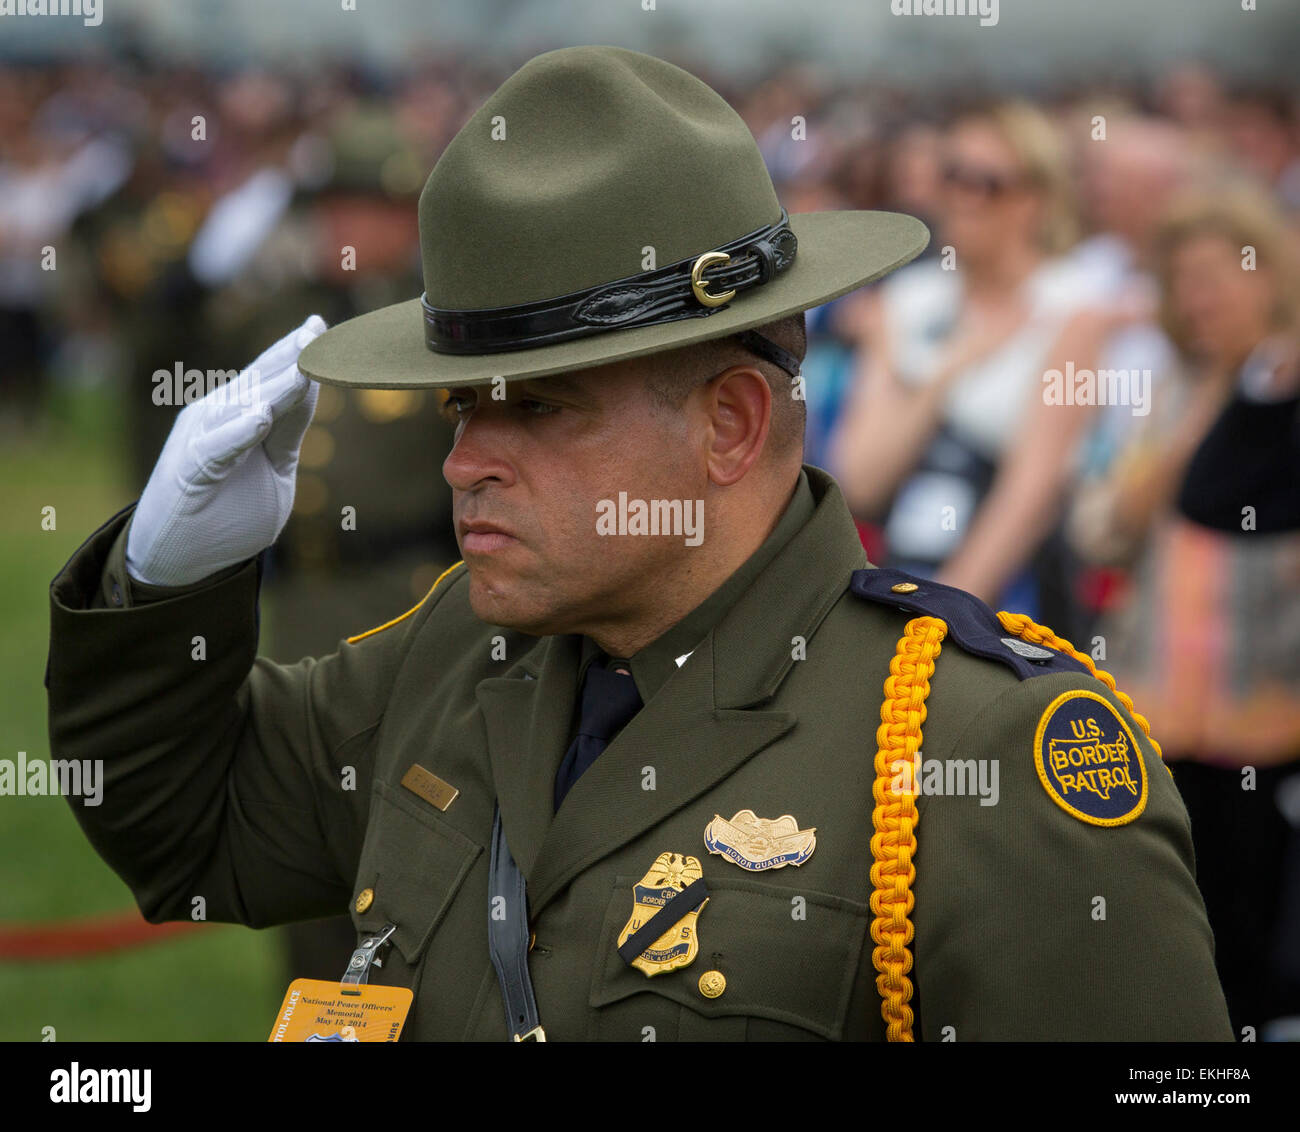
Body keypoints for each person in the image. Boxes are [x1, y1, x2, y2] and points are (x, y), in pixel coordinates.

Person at [46, 46, 1230, 1042]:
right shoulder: (461, 652)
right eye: (464, 404)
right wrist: (165, 580)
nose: (465, 461)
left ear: (730, 424)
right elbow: (188, 827)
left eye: (540, 407)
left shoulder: (983, 751)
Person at [1068, 185, 1300, 1035]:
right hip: (1162, 714)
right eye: (1184, 281)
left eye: (1221, 276)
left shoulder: (1285, 395)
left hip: (1270, 721)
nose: (1202, 299)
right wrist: (1201, 412)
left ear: (1270, 275)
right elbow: (1102, 530)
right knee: (1176, 930)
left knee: (1261, 941)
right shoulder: (1165, 392)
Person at [829, 101, 1107, 638]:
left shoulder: (1073, 308)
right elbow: (860, 478)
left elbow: (1031, 493)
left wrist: (945, 625)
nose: (963, 197)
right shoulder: (907, 298)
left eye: (988, 183)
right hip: (900, 575)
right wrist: (945, 374)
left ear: (1037, 200)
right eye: (951, 175)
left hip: (1007, 601)